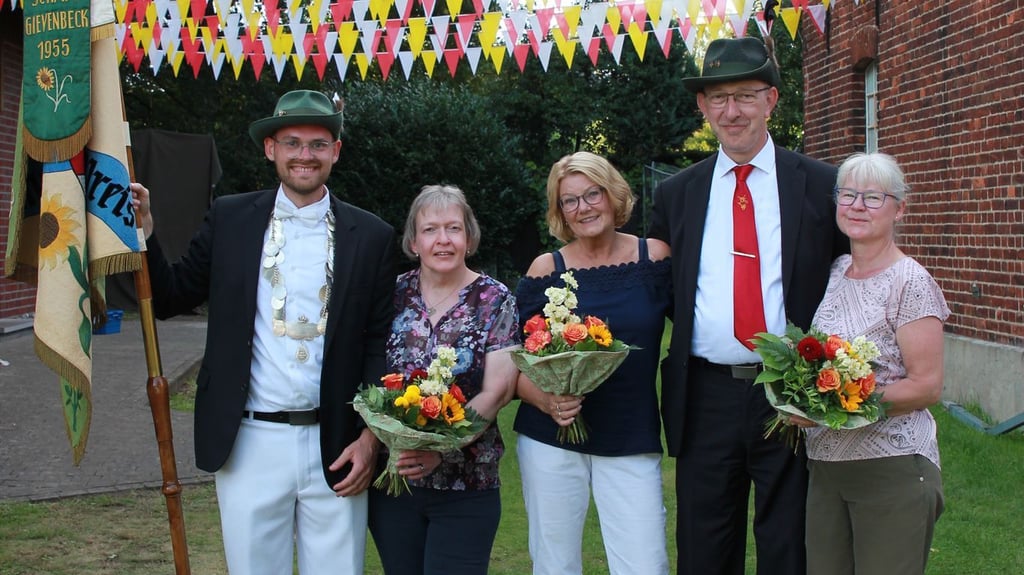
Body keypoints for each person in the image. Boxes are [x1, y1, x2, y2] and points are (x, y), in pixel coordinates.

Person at [130, 89, 396, 574]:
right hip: (248, 442)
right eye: (291, 142)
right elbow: (170, 297)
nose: (304, 155)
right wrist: (144, 231)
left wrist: (370, 437)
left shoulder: (373, 236)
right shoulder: (231, 218)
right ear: (270, 149)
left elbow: (379, 342)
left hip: (337, 444)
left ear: (335, 151)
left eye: (318, 144)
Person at [647, 37, 850, 575]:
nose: (730, 111)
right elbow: (658, 288)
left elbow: (851, 280)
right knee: (704, 544)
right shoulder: (677, 195)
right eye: (717, 98)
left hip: (791, 391)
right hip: (705, 393)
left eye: (744, 96)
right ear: (702, 106)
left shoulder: (822, 185)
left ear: (772, 100)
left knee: (790, 543)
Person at [788, 152, 948, 574]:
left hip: (890, 466)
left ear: (899, 208)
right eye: (848, 194)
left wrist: (831, 404)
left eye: (874, 197)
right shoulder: (836, 270)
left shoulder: (910, 281)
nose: (857, 205)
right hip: (825, 466)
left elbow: (927, 386)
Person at [514, 151, 673, 574]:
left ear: (612, 194)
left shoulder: (653, 258)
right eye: (570, 201)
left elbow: (697, 329)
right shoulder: (547, 269)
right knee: (554, 564)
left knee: (644, 563)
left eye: (592, 194)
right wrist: (546, 400)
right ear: (560, 211)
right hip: (552, 436)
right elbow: (512, 361)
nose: (583, 208)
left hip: (630, 435)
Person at [367, 184, 520, 575]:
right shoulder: (391, 294)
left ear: (468, 238)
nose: (443, 240)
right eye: (430, 229)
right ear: (413, 241)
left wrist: (441, 449)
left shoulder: (494, 299)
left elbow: (498, 390)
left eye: (453, 228)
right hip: (395, 481)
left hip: (468, 484)